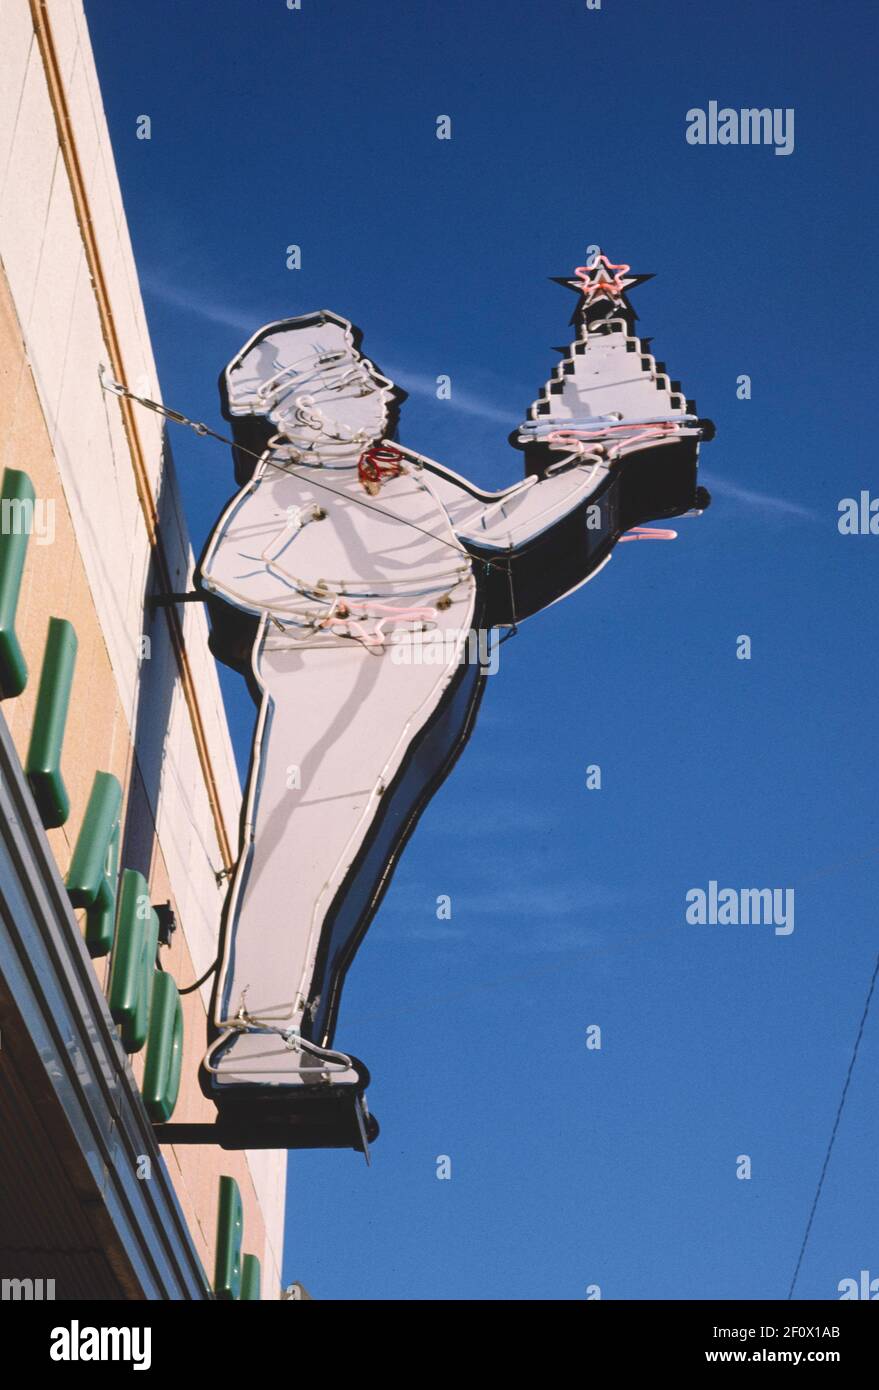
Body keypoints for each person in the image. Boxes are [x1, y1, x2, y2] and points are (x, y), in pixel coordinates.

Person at [197, 257, 711, 1124]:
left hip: (419, 674)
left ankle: (282, 1032)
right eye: (353, 379)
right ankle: (254, 1034)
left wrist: (587, 476)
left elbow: (489, 529)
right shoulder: (285, 485)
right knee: (306, 841)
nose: (382, 387)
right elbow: (230, 567)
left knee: (354, 843)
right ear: (296, 409)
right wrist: (333, 606)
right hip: (332, 676)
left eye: (367, 372)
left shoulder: (395, 472)